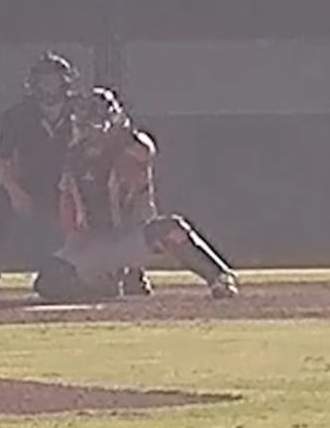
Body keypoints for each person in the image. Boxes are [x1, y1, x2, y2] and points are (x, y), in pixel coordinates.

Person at [32, 87, 240, 302]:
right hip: (96, 238)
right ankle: (105, 286)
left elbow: (143, 151)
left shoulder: (131, 147)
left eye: (93, 124)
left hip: (131, 232)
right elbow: (68, 205)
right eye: (85, 124)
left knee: (171, 229)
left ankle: (220, 277)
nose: (88, 132)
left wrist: (116, 138)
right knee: (48, 281)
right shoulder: (74, 157)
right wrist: (77, 243)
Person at [0, 53, 84, 300]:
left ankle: (123, 271)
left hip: (78, 186)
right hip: (33, 186)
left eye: (54, 78)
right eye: (44, 78)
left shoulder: (82, 110)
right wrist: (14, 191)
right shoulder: (18, 115)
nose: (49, 84)